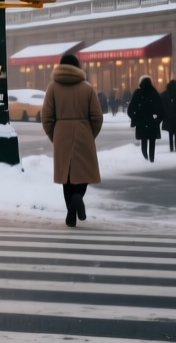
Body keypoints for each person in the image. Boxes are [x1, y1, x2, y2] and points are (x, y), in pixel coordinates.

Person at [41, 53, 102, 228]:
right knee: (83, 174)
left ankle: (71, 213)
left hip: (61, 134)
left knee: (66, 178)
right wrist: (90, 134)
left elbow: (46, 117)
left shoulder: (52, 88)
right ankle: (78, 198)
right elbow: (97, 117)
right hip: (84, 132)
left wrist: (56, 135)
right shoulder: (87, 88)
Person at [126, 76, 164, 161]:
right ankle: (152, 158)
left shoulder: (137, 93)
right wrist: (157, 120)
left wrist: (135, 117)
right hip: (152, 121)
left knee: (144, 140)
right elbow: (161, 109)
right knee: (152, 141)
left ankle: (145, 156)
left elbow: (130, 109)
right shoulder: (154, 93)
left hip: (141, 122)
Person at [161, 80, 176, 152]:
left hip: (168, 118)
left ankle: (171, 147)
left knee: (170, 133)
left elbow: (161, 106)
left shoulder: (165, 94)